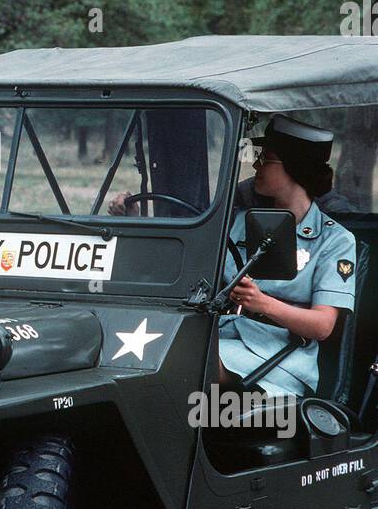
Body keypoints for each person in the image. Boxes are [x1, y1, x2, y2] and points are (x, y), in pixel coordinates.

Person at [107, 117, 357, 402]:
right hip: (224, 335)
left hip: (280, 356)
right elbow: (183, 259)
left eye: (268, 159)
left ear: (295, 167)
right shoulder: (238, 222)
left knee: (185, 365)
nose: (256, 166)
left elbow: (322, 326)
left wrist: (262, 303)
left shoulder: (334, 240)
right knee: (143, 358)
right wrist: (135, 219)